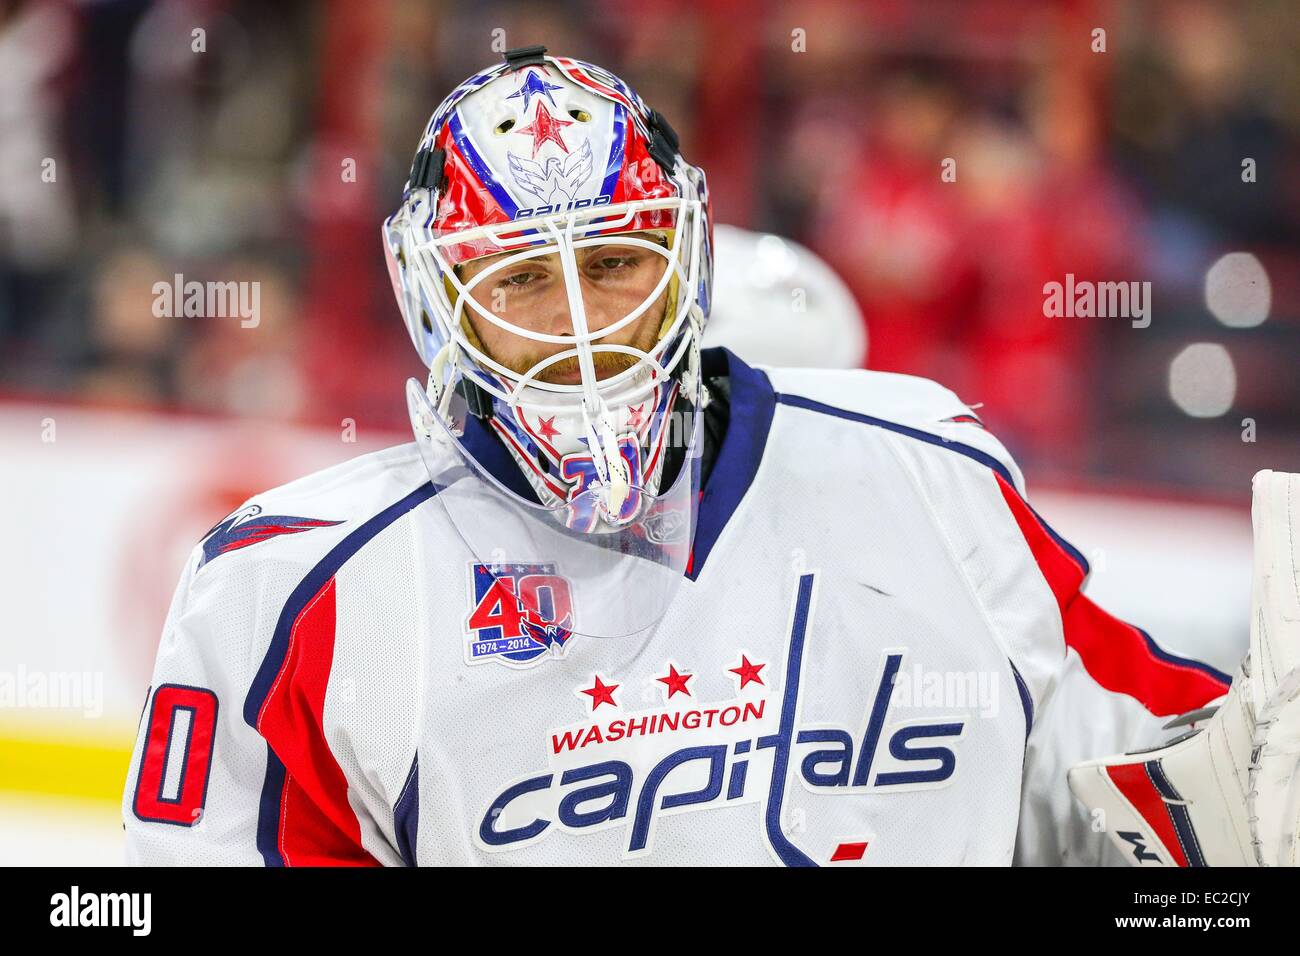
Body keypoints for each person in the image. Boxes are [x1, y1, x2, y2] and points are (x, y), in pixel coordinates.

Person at [123, 48, 1269, 867]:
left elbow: (1152, 776)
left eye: (616, 260)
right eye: (520, 278)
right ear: (439, 307)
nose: (581, 323)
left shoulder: (927, 470)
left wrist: (1255, 786)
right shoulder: (293, 597)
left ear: (688, 256)